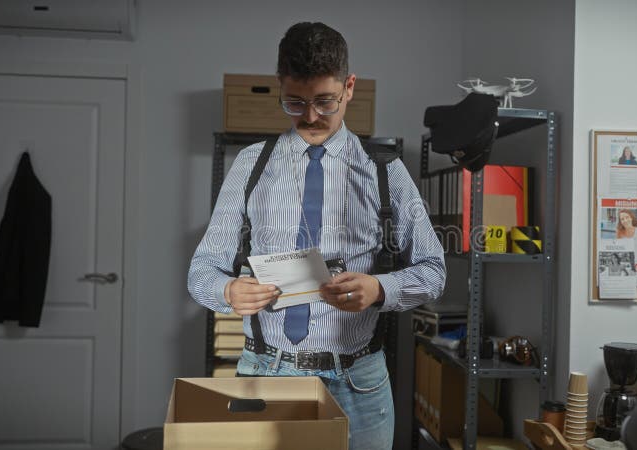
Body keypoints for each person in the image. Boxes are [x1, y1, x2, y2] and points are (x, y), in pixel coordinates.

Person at [187, 22, 445, 450]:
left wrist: (381, 287)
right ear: (280, 88)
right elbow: (201, 270)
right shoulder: (250, 166)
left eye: (325, 102)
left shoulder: (387, 172)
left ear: (349, 87)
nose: (310, 116)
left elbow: (434, 270)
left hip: (358, 386)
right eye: (295, 102)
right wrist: (228, 290)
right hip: (265, 375)